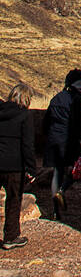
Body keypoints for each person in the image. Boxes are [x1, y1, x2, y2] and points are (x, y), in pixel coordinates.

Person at [42, 69, 81, 219]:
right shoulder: (77, 99)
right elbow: (79, 123)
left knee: (57, 171)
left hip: (54, 139)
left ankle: (56, 210)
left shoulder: (56, 98)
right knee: (76, 169)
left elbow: (46, 121)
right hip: (68, 140)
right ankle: (62, 190)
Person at [0, 83, 36, 250]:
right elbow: (27, 145)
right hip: (15, 165)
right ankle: (11, 237)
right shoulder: (25, 115)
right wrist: (31, 168)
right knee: (13, 201)